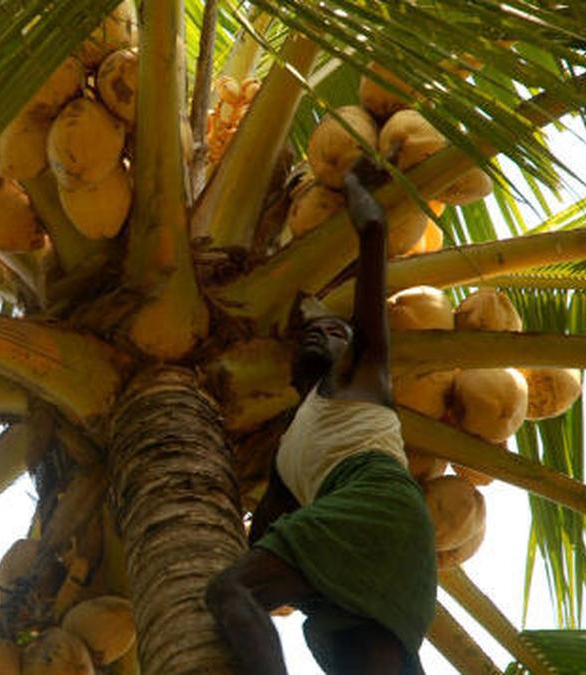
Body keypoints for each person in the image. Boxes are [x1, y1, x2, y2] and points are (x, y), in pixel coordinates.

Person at [205, 164, 437, 674]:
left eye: (335, 329)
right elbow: (256, 539)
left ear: (354, 346)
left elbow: (373, 231)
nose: (318, 331)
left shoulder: (363, 374)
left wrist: (354, 182)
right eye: (310, 329)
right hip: (395, 554)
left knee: (230, 591)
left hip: (375, 505)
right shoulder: (287, 458)